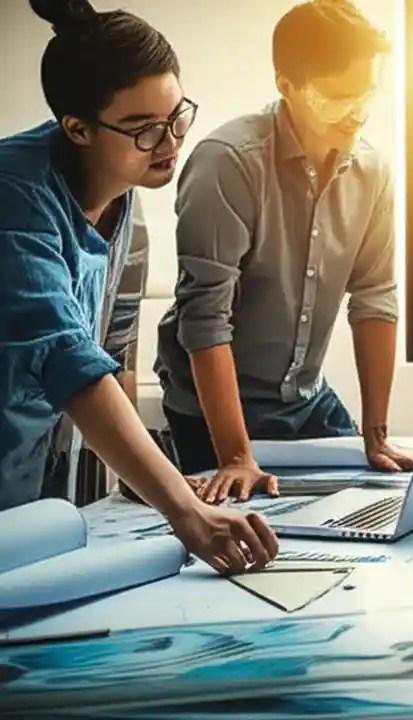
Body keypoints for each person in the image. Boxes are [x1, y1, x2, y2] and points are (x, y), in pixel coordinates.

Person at [0, 0, 276, 574]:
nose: (171, 141)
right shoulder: (14, 195)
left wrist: (142, 480)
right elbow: (68, 359)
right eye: (146, 129)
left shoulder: (127, 201)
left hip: (28, 477)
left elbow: (113, 353)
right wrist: (181, 509)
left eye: (177, 117)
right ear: (77, 128)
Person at [154, 0, 413, 504]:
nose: (358, 111)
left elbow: (376, 296)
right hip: (215, 410)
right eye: (339, 96)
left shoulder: (373, 170)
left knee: (380, 500)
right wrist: (235, 455)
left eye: (367, 92)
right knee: (240, 539)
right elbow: (205, 319)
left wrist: (376, 434)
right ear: (286, 85)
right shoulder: (227, 164)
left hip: (305, 399)